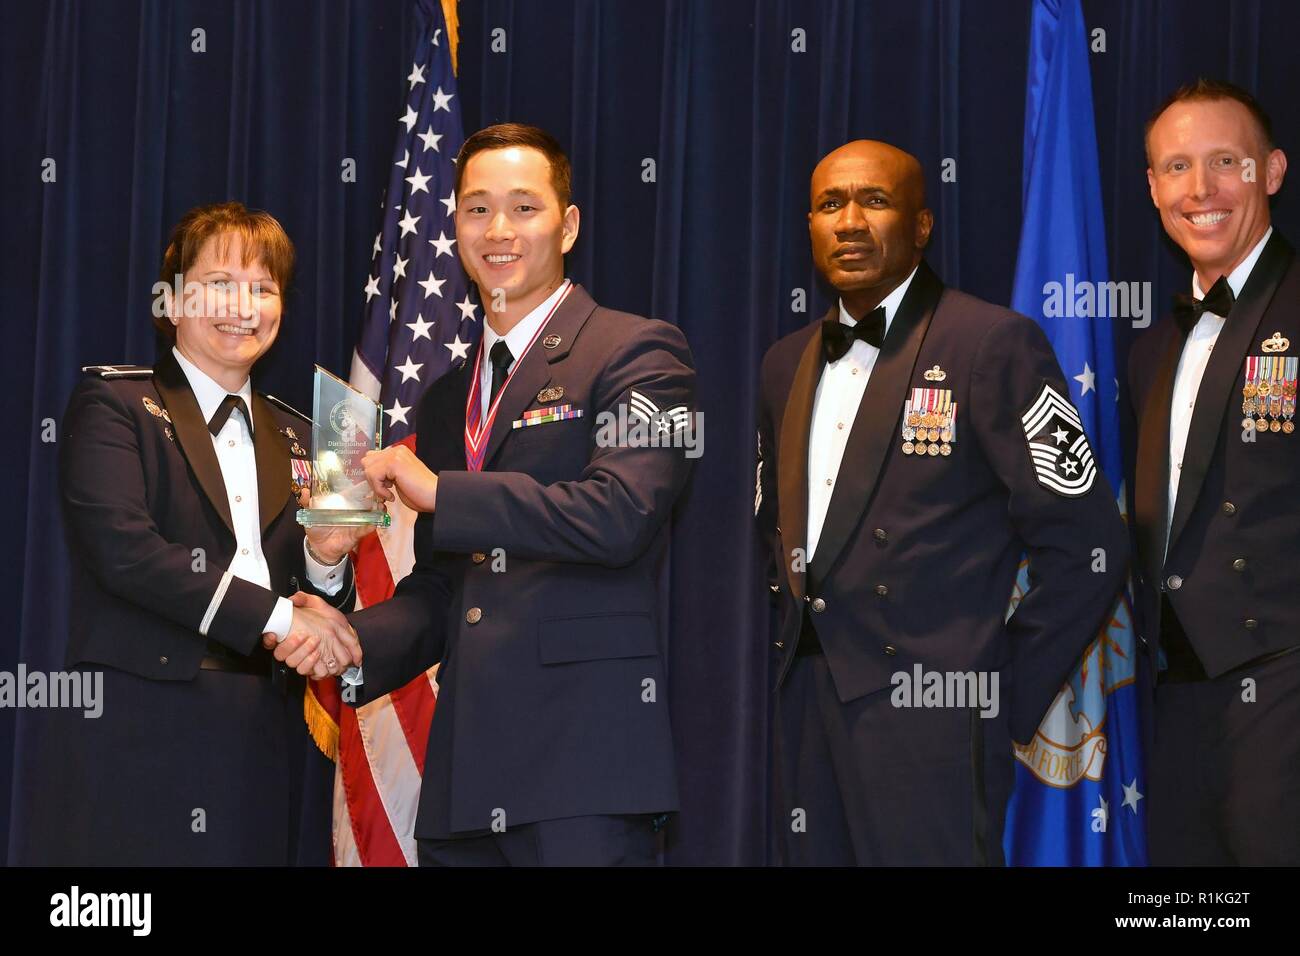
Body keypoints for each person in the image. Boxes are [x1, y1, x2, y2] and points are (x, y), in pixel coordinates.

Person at [279, 124, 698, 866]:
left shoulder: (641, 352)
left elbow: (620, 515)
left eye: (524, 208)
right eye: (476, 210)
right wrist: (349, 642)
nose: (498, 231)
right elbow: (446, 586)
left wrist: (444, 490)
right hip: (465, 782)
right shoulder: (448, 397)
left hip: (584, 773)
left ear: (568, 225)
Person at [755, 140, 1128, 865]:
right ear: (809, 225)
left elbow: (1089, 542)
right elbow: (772, 528)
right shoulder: (784, 361)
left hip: (937, 716)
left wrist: (999, 691)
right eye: (831, 204)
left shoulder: (992, 343)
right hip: (807, 708)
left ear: (922, 226)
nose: (851, 222)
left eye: (876, 200)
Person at [32, 202, 366, 865]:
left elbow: (304, 594)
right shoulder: (115, 405)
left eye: (264, 288)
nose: (244, 304)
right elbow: (126, 552)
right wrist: (277, 617)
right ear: (172, 298)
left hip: (261, 738)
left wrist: (325, 565)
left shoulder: (305, 434)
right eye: (220, 283)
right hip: (140, 725)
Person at [1129, 79, 1298, 865]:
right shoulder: (1152, 348)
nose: (1200, 190)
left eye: (1224, 162)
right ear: (1154, 186)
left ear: (1271, 171)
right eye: (1176, 168)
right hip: (1180, 687)